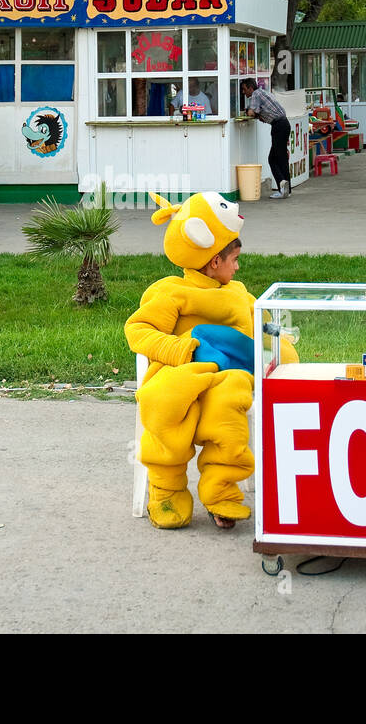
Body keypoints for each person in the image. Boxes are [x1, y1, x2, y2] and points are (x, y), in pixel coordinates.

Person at [124, 191, 298, 530]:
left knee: (229, 401)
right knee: (164, 400)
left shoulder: (238, 294)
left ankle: (221, 490)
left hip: (229, 371)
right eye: (233, 259)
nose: (237, 266)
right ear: (214, 261)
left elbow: (262, 328)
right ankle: (167, 489)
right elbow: (138, 329)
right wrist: (179, 349)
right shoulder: (171, 291)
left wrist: (283, 348)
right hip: (182, 367)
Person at [240, 78, 291, 199]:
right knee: (281, 158)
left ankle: (282, 187)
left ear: (250, 88)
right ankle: (286, 189)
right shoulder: (264, 92)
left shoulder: (255, 94)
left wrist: (247, 111)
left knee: (273, 159)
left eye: (244, 89)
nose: (243, 92)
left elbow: (251, 113)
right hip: (284, 124)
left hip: (278, 126)